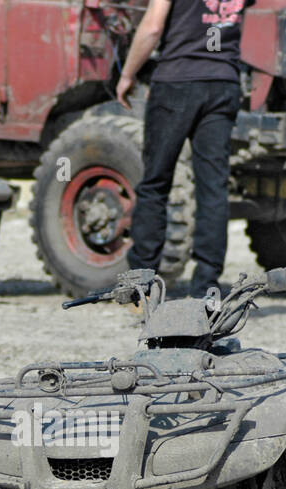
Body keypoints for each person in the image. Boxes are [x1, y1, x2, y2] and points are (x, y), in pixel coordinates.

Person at [117, 0, 249, 299]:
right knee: (213, 187)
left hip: (177, 79)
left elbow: (152, 27)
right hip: (224, 82)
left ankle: (140, 284)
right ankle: (206, 287)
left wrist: (127, 74)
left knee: (155, 183)